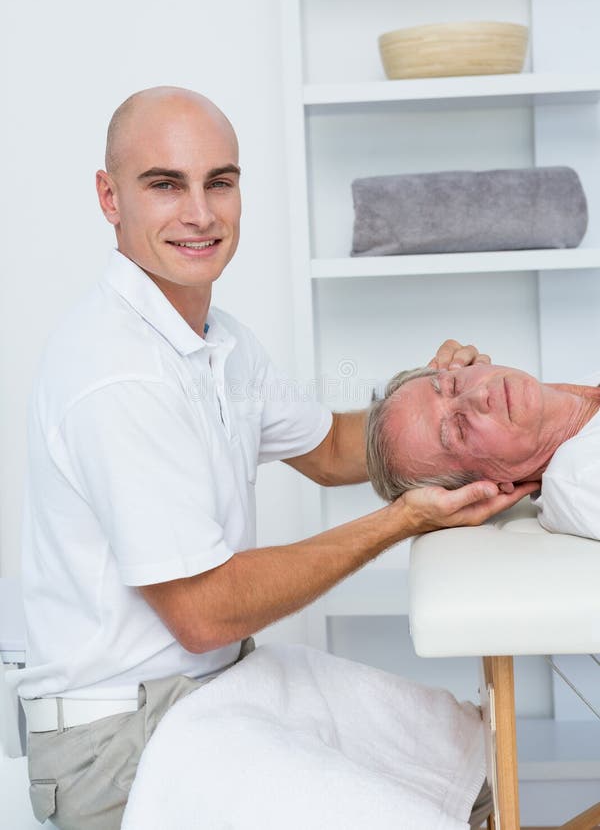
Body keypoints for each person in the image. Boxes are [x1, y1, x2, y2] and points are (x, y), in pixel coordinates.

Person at [16, 86, 535, 830]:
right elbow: (204, 613)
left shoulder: (217, 340)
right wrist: (401, 521)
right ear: (110, 197)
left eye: (219, 182)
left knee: (466, 755)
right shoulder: (117, 374)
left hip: (214, 687)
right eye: (166, 185)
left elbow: (330, 449)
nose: (200, 213)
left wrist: (437, 408)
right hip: (116, 744)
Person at [366, 361, 600, 540]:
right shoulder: (579, 479)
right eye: (459, 430)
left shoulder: (588, 385)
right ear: (485, 487)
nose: (478, 395)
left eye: (453, 384)